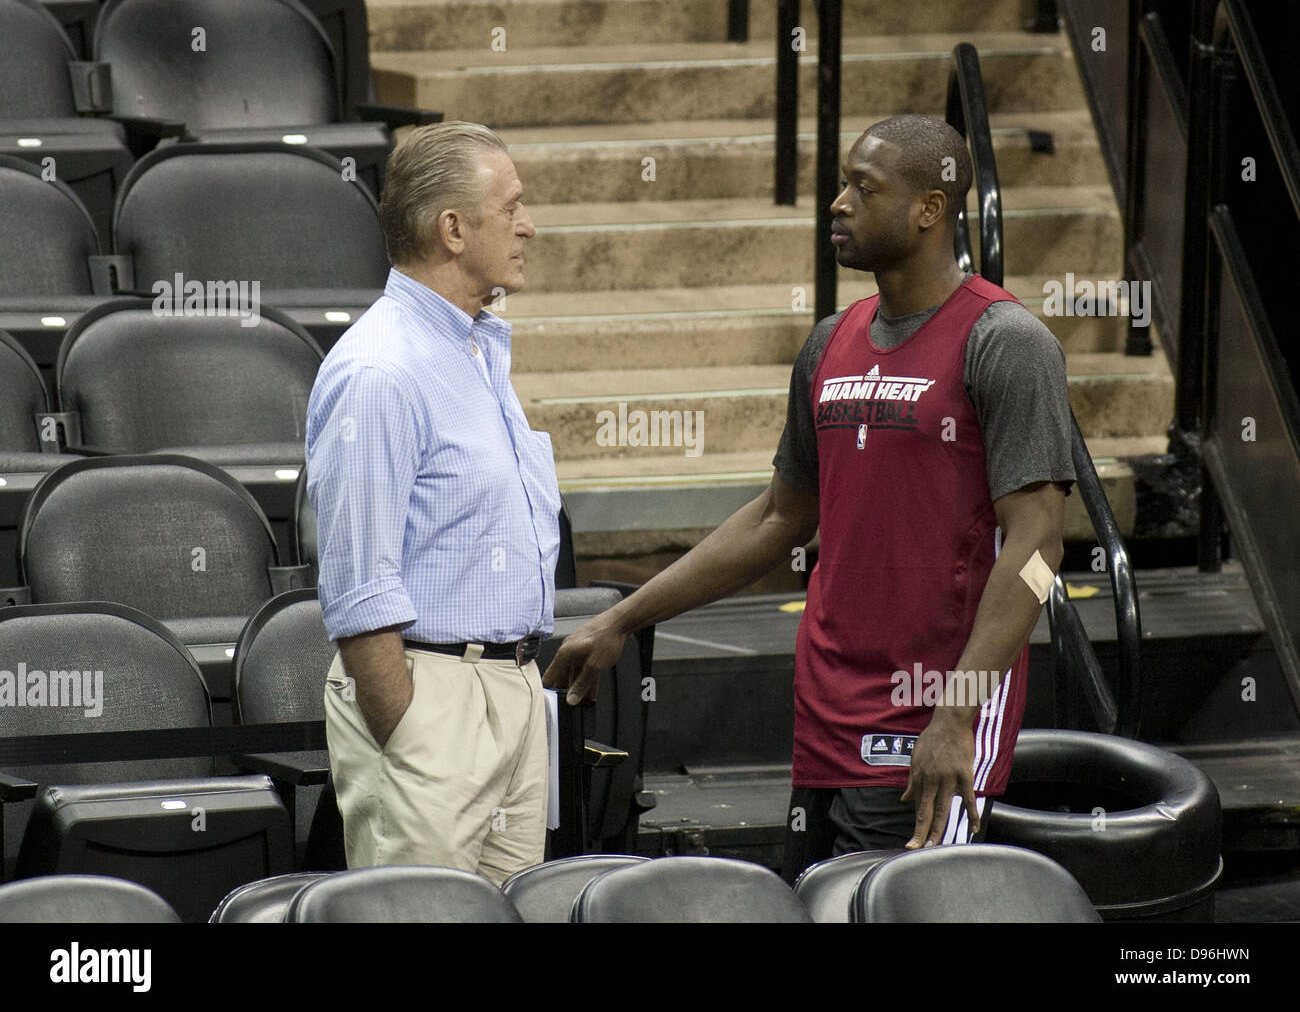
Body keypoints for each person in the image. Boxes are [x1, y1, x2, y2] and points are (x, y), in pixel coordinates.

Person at [544, 114, 1076, 880]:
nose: (838, 203)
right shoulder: (830, 341)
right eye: (841, 185)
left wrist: (957, 712)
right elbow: (776, 518)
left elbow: (1038, 548)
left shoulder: (1006, 342)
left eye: (864, 187)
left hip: (928, 714)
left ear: (930, 208)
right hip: (826, 711)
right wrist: (623, 617)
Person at [306, 121, 561, 884]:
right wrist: (411, 729)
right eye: (510, 207)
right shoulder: (381, 370)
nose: (529, 225)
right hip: (433, 701)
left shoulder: (476, 350)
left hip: (511, 693)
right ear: (453, 229)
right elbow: (359, 585)